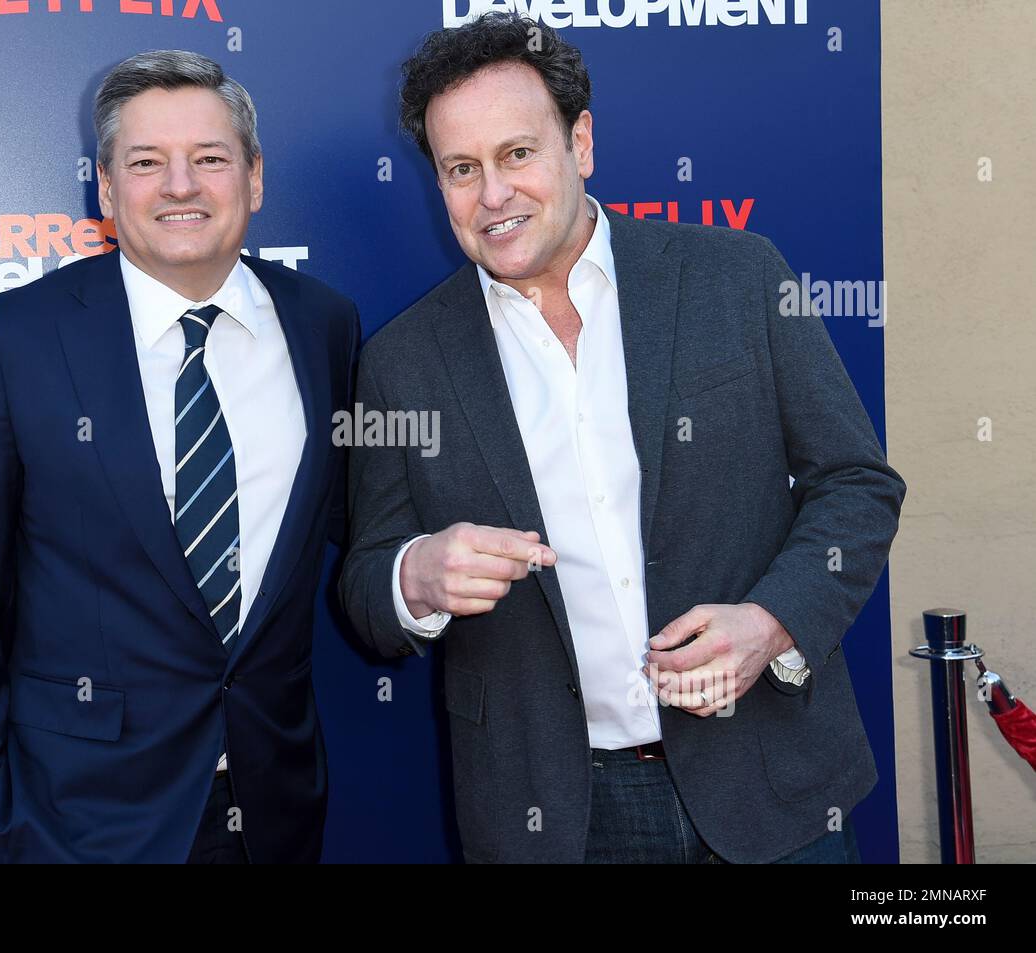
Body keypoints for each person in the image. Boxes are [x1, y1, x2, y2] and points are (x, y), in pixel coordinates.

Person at [339, 13, 906, 863]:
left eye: (517, 154)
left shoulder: (739, 277)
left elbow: (858, 484)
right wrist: (413, 574)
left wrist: (772, 622)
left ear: (581, 143)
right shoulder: (401, 360)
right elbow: (365, 584)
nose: (492, 195)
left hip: (772, 785)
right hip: (554, 818)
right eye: (462, 169)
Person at [0, 50, 358, 863]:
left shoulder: (324, 324)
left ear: (254, 179)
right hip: (73, 820)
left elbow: (350, 529)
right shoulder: (8, 340)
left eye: (210, 159)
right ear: (108, 189)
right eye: (147, 162)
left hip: (272, 811)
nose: (181, 186)